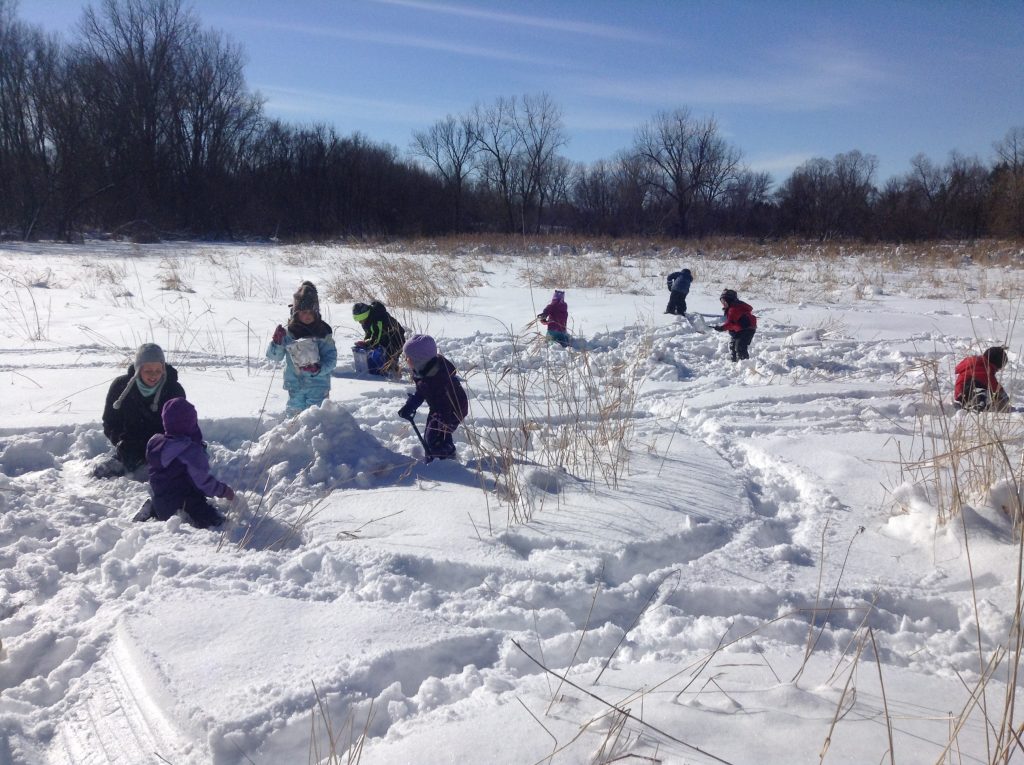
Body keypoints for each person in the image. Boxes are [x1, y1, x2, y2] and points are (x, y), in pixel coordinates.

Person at [137, 397, 234, 528]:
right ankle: (210, 520)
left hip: (160, 501)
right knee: (211, 517)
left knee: (168, 489)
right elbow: (204, 483)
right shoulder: (190, 450)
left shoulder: (155, 443)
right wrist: (224, 491)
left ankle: (152, 508)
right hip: (184, 505)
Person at [97, 343, 186, 478]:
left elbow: (183, 422)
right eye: (148, 371)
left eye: (158, 370)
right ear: (138, 369)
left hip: (162, 443)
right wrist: (119, 441)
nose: (153, 375)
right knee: (102, 473)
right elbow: (110, 421)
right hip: (131, 442)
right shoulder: (120, 386)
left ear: (163, 368)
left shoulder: (174, 389)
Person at [266, 281, 338, 416]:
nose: (308, 315)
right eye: (304, 312)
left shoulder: (322, 333)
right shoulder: (289, 333)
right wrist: (276, 342)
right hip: (295, 385)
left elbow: (331, 360)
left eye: (311, 312)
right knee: (294, 417)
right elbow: (275, 356)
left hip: (318, 385)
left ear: (316, 312)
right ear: (296, 312)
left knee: (317, 418)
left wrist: (319, 369)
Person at [397, 334, 469, 460]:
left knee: (433, 436)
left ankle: (443, 462)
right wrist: (410, 405)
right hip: (438, 407)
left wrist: (443, 423)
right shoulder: (423, 371)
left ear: (418, 360)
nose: (405, 360)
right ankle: (445, 452)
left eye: (408, 358)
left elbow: (445, 404)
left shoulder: (439, 380)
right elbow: (421, 391)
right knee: (436, 434)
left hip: (453, 410)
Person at [352, 300, 406, 375]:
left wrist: (368, 344)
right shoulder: (366, 320)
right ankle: (383, 368)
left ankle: (394, 373)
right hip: (384, 337)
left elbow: (378, 337)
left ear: (364, 315)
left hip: (396, 339)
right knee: (377, 354)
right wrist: (365, 342)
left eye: (360, 320)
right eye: (358, 320)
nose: (360, 322)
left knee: (389, 359)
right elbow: (369, 333)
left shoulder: (377, 318)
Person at [955, 346, 1011, 412]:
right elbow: (994, 386)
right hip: (971, 392)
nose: (997, 370)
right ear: (996, 364)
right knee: (981, 391)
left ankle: (975, 404)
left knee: (984, 391)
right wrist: (1004, 396)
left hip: (959, 393)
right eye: (999, 368)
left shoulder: (974, 362)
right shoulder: (985, 369)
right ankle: (977, 406)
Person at [712, 289, 757, 362]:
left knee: (740, 346)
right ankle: (735, 361)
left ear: (729, 300)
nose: (723, 303)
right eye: (722, 301)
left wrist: (722, 328)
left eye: (724, 301)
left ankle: (745, 364)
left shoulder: (734, 309)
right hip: (739, 330)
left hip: (747, 330)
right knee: (733, 345)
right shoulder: (733, 308)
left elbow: (731, 323)